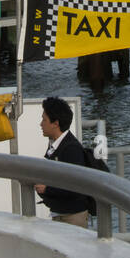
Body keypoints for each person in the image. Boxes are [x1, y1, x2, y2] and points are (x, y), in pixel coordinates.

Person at [34, 97, 91, 227]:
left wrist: (47, 189)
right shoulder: (55, 144)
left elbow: (76, 186)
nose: (41, 124)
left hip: (72, 216)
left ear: (56, 123)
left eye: (44, 120)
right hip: (60, 214)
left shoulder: (71, 148)